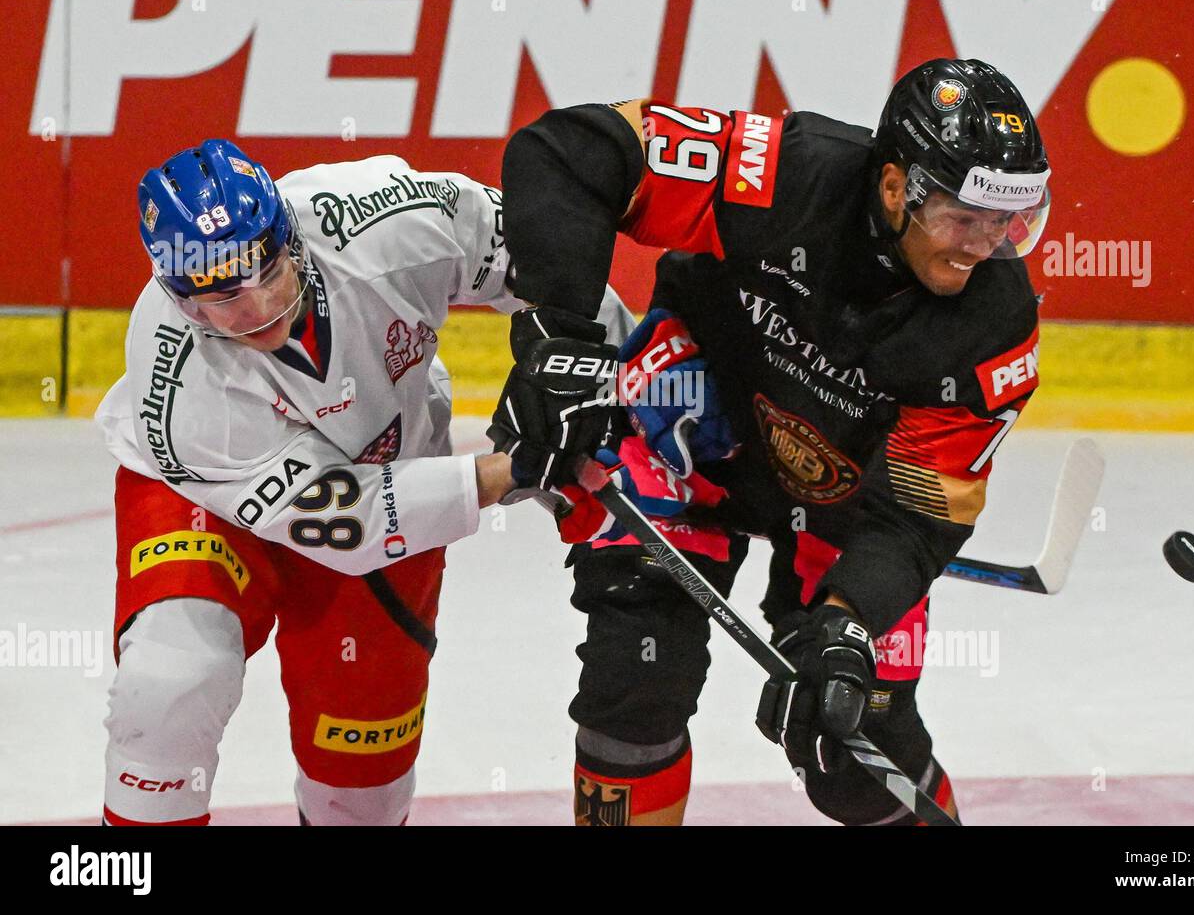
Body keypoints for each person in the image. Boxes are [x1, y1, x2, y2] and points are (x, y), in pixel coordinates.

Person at [488, 59, 1049, 825]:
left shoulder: (994, 327)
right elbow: (570, 150)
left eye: (1007, 222)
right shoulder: (785, 173)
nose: (983, 247)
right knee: (635, 683)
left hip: (846, 497)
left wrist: (849, 625)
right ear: (895, 189)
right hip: (685, 438)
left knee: (855, 747)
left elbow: (917, 518)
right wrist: (563, 340)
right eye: (964, 218)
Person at [95, 139, 630, 825]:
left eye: (264, 272)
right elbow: (350, 519)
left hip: (393, 458)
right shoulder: (181, 388)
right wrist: (518, 469)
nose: (255, 309)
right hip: (205, 502)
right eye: (219, 297)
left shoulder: (386, 218)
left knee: (362, 777)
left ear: (290, 236)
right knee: (171, 681)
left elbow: (544, 252)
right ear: (177, 294)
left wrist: (605, 387)